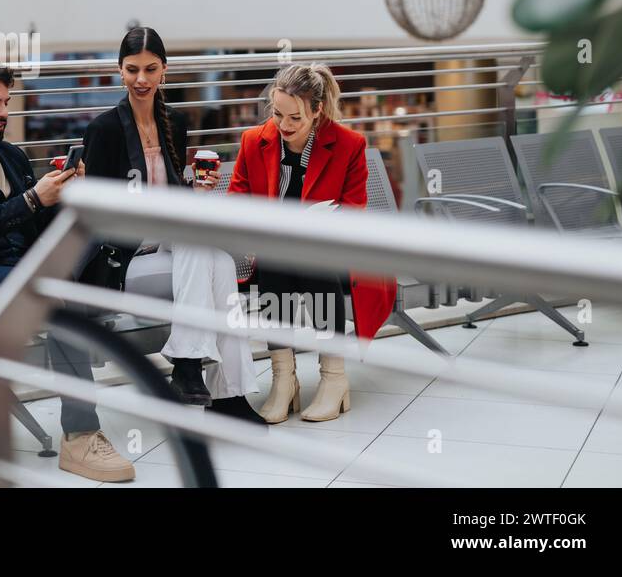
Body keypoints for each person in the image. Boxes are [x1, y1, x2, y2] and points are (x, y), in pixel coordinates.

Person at [0, 63, 135, 483]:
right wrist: (33, 198)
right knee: (56, 296)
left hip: (15, 274)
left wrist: (68, 198)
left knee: (87, 256)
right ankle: (81, 435)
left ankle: (83, 421)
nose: (3, 113)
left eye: (6, 103)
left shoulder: (11, 157)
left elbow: (35, 233)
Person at [82, 27, 262, 424]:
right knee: (205, 253)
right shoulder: (104, 130)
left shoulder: (174, 124)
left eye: (150, 69)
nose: (141, 80)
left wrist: (194, 188)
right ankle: (202, 374)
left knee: (217, 260)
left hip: (171, 246)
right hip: (126, 255)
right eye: (132, 70)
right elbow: (96, 212)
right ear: (120, 70)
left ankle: (210, 380)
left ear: (165, 70)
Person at [229, 63, 395, 423]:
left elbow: (353, 212)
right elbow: (237, 200)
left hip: (335, 251)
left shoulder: (349, 145)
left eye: (295, 118)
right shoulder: (253, 141)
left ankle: (333, 378)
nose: (283, 126)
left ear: (317, 111)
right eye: (277, 114)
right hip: (276, 251)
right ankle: (283, 379)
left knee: (309, 261)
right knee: (277, 261)